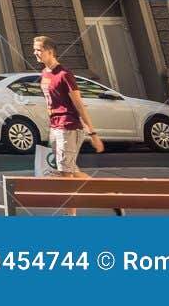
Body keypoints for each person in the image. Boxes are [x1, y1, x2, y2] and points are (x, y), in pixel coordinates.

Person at [33, 34, 103, 207]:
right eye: (34, 50)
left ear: (50, 51)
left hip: (69, 127)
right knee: (68, 171)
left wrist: (93, 134)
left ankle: (70, 216)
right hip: (55, 127)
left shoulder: (65, 74)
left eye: (38, 50)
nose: (35, 53)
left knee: (66, 175)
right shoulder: (44, 73)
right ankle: (108, 194)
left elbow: (79, 105)